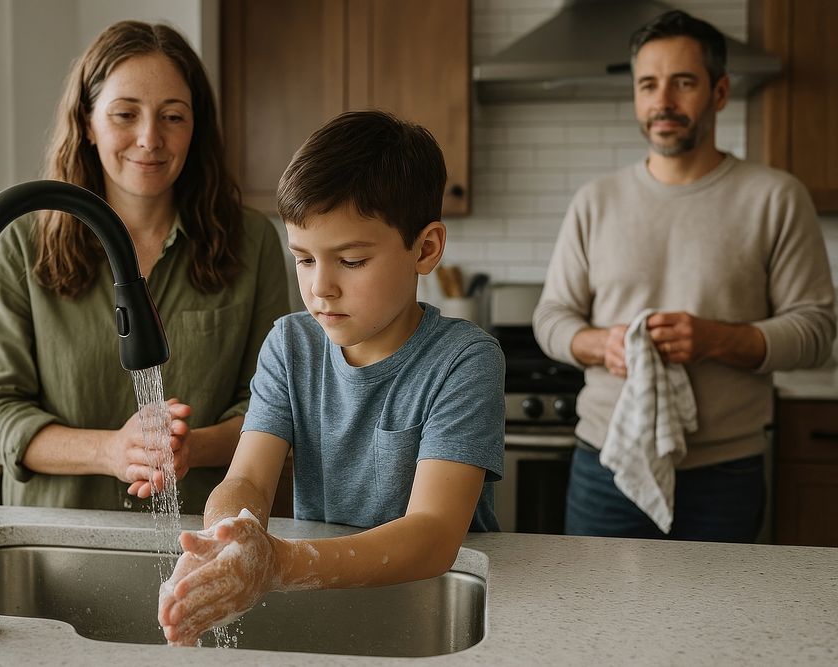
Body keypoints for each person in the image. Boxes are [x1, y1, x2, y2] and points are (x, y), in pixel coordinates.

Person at [156, 110, 505, 645]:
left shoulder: (463, 360)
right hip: (328, 600)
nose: (321, 288)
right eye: (303, 259)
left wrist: (278, 564)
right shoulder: (290, 345)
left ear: (426, 248)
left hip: (431, 610)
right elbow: (246, 479)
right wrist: (230, 542)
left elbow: (433, 535)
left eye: (351, 260)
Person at [532, 10, 836, 542]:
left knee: (717, 624)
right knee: (597, 621)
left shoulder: (775, 197)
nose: (663, 102)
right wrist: (599, 344)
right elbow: (551, 317)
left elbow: (815, 332)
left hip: (726, 473)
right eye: (648, 85)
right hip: (606, 465)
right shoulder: (595, 202)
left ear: (719, 92)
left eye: (684, 83)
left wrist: (719, 338)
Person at [0, 21, 290, 514]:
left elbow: (276, 404)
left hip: (205, 536)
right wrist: (110, 451)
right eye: (126, 113)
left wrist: (190, 447)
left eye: (173, 117)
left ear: (196, 128)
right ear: (87, 121)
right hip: (58, 540)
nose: (150, 138)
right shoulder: (19, 244)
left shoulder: (251, 243)